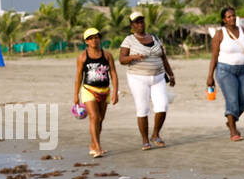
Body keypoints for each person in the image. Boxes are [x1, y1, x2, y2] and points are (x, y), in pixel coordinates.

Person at [119, 10, 175, 150]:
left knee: (162, 106)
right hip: (138, 77)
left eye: (141, 21)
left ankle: (155, 134)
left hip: (158, 76)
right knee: (143, 108)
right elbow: (122, 59)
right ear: (132, 25)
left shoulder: (155, 37)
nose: (140, 24)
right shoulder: (129, 40)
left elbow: (163, 57)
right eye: (136, 22)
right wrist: (133, 57)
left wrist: (171, 74)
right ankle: (145, 140)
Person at [206, 7, 244, 141]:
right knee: (232, 100)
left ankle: (231, 120)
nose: (232, 18)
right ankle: (233, 131)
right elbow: (214, 56)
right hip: (225, 71)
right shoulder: (220, 34)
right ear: (224, 20)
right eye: (229, 17)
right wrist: (210, 76)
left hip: (243, 70)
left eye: (234, 16)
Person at [73, 27, 118, 158]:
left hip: (105, 90)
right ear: (86, 41)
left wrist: (115, 92)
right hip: (89, 90)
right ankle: (98, 147)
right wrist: (76, 95)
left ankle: (93, 144)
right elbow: (78, 77)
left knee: (100, 119)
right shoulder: (82, 57)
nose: (94, 40)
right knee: (94, 117)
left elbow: (113, 74)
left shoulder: (107, 55)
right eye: (91, 38)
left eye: (96, 37)